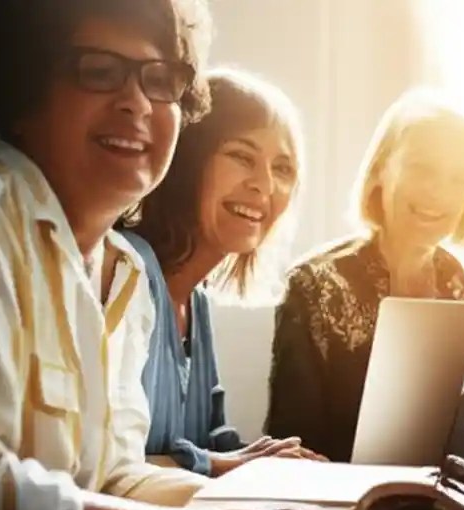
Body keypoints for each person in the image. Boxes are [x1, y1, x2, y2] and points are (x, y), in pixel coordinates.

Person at [0, 0, 375, 510]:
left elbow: (119, 479)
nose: (136, 103)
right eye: (98, 70)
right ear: (26, 82)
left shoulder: (119, 269)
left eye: (161, 79)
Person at [122, 68, 324, 477]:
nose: (264, 185)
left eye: (282, 169)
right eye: (242, 157)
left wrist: (270, 458)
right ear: (187, 160)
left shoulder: (196, 301)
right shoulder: (126, 267)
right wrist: (226, 464)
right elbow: (105, 469)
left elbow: (210, 444)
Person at [266, 89, 464, 462]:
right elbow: (292, 445)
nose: (439, 193)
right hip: (338, 505)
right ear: (382, 169)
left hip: (444, 501)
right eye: (421, 169)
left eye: (457, 178)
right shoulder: (315, 285)